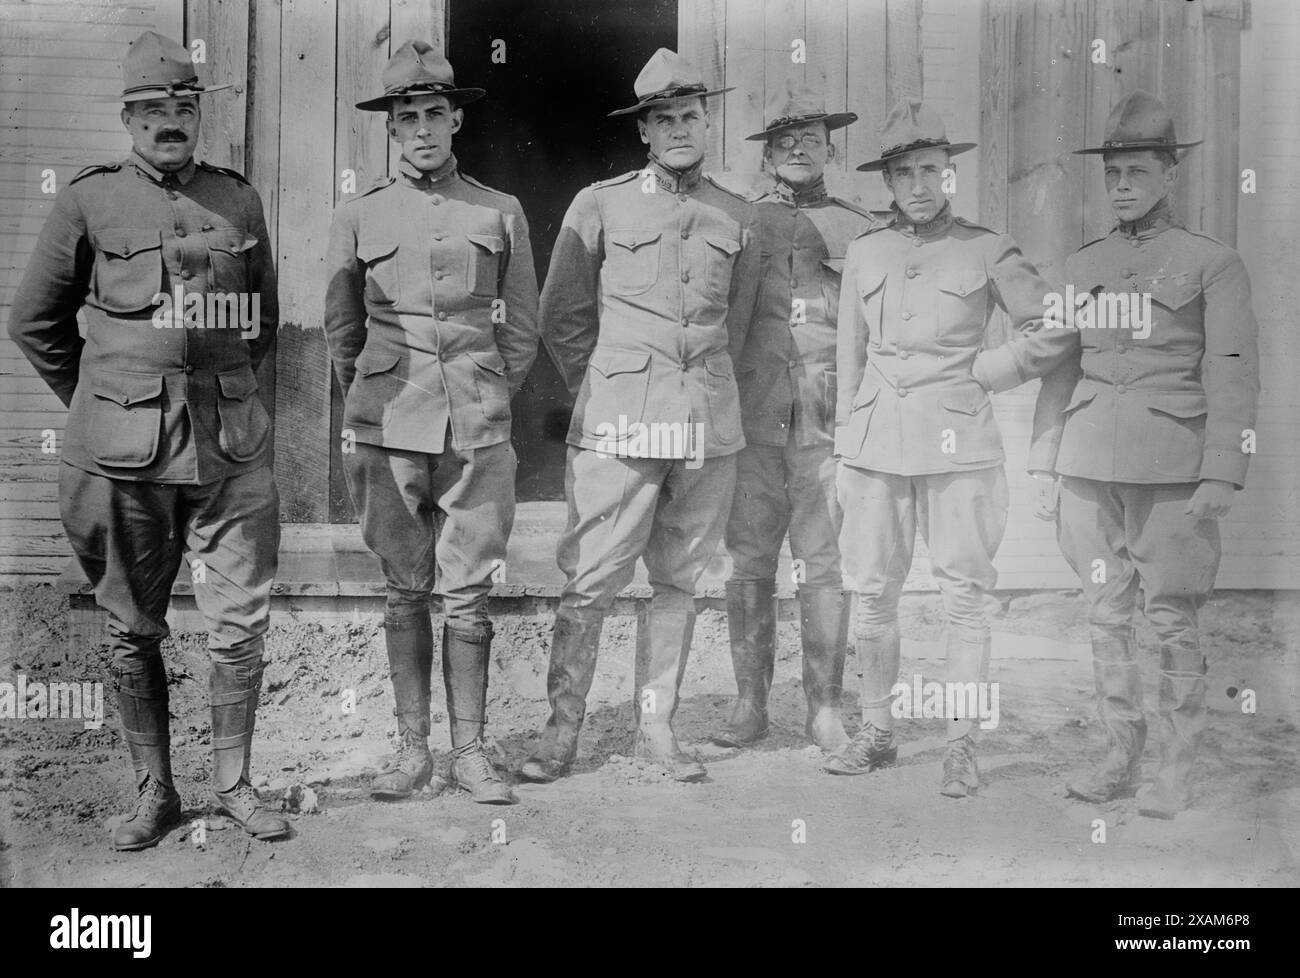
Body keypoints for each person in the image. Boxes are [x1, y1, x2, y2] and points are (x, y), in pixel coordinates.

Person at [8, 31, 287, 847]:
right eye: (154, 109)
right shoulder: (89, 200)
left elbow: (260, 317)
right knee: (132, 624)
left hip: (231, 447)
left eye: (183, 107)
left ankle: (235, 783)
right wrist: (100, 402)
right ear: (128, 117)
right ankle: (154, 791)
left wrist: (227, 385)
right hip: (123, 455)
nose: (170, 121)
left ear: (198, 114)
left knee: (241, 621)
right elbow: (34, 320)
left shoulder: (238, 198)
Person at [519, 49, 761, 784]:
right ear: (645, 133)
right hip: (621, 422)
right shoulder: (600, 204)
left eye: (691, 115)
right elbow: (561, 316)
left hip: (706, 424)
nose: (680, 128)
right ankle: (562, 735)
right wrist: (609, 385)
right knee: (592, 576)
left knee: (680, 581)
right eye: (665, 119)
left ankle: (658, 729)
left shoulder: (737, 214)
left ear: (707, 121)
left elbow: (740, 326)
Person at [827, 98, 1076, 796]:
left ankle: (961, 743)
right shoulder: (866, 251)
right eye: (903, 172)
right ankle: (877, 730)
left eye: (930, 170)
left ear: (950, 175)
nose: (917, 185)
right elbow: (850, 353)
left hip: (961, 446)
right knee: (873, 595)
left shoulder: (986, 247)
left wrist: (989, 371)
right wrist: (847, 442)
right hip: (875, 450)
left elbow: (1054, 329)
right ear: (888, 181)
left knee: (964, 599)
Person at [1030, 91, 1260, 819]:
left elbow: (1231, 369)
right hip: (1089, 466)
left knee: (1171, 618)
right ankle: (1114, 754)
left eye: (1137, 171)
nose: (1123, 185)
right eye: (1114, 174)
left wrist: (1223, 466)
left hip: (1171, 468)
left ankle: (1173, 767)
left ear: (1170, 174)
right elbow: (1060, 367)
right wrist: (1043, 460)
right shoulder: (1082, 264)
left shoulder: (1210, 263)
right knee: (1103, 613)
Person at [324, 41, 539, 805]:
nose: (421, 129)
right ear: (391, 129)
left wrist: (485, 391)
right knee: (404, 588)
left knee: (468, 590)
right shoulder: (358, 214)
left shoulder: (500, 210)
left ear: (455, 121)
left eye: (434, 114)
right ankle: (413, 750)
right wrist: (377, 399)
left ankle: (472, 752)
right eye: (406, 117)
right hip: (388, 422)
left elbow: (522, 329)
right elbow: (342, 330)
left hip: (476, 423)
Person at [713, 81, 879, 753]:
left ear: (831, 147)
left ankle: (824, 710)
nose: (798, 149)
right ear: (766, 153)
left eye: (810, 137)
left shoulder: (858, 226)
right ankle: (750, 707)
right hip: (752, 421)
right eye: (784, 140)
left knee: (823, 565)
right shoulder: (740, 221)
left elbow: (875, 331)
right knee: (748, 562)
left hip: (825, 423)